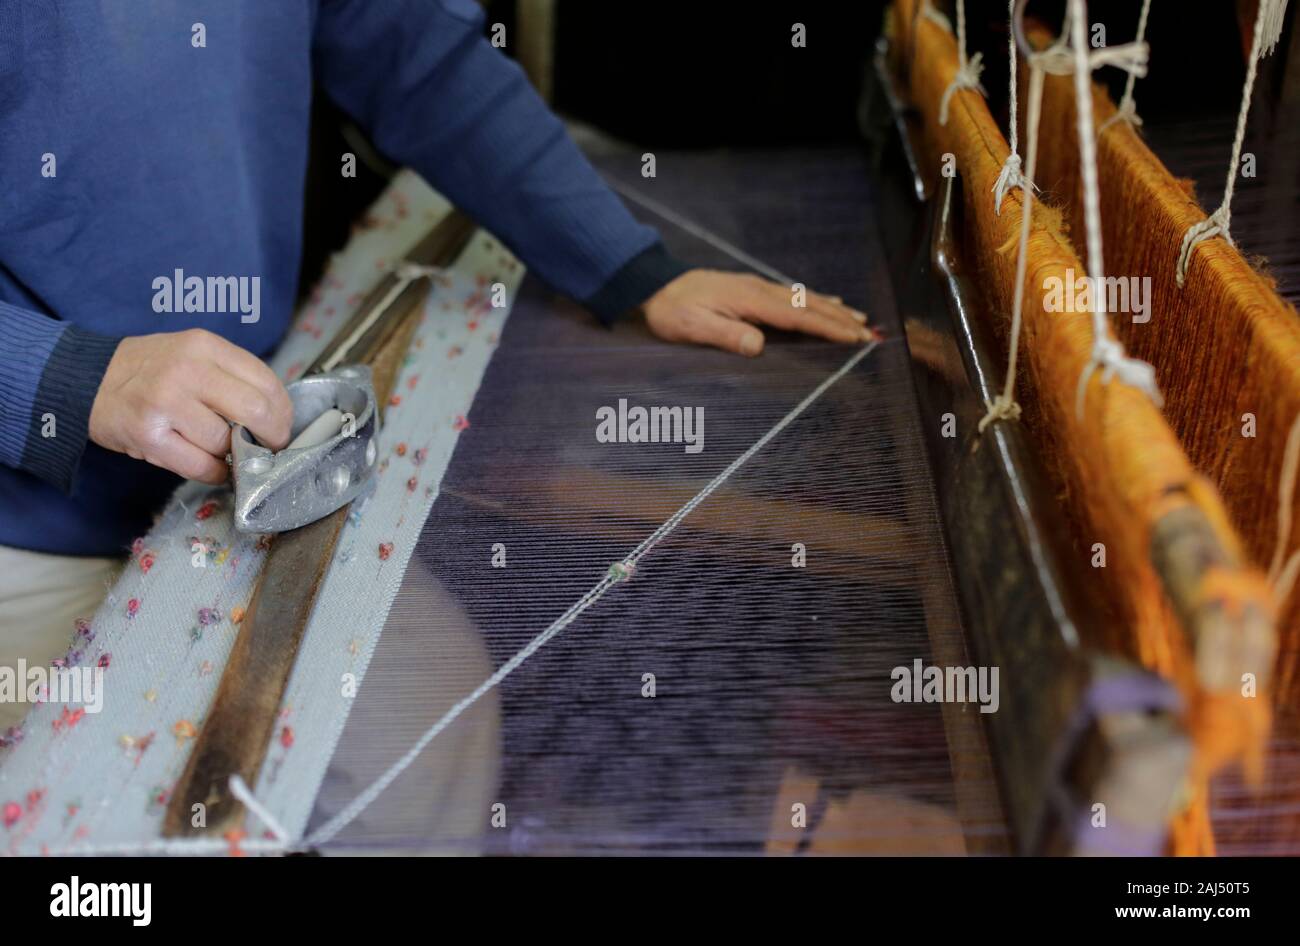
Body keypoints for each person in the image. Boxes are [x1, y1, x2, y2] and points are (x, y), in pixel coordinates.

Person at [0, 0, 869, 734]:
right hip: (22, 530)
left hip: (234, 473)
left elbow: (411, 40)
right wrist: (67, 380)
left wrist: (628, 270)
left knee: (430, 735)